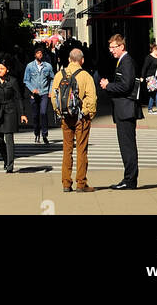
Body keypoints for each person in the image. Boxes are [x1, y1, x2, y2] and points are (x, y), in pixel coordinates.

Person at [50, 47, 97, 192]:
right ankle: (81, 183)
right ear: (82, 60)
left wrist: (59, 112)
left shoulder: (59, 75)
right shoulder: (86, 76)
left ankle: (66, 183)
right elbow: (91, 98)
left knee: (67, 150)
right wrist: (87, 113)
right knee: (81, 150)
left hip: (65, 117)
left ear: (69, 59)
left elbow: (53, 96)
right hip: (80, 119)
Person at [99, 32, 141, 189]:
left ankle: (130, 180)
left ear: (121, 46)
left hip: (126, 109)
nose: (111, 50)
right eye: (110, 47)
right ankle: (129, 178)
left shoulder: (127, 62)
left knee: (127, 146)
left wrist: (108, 85)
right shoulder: (122, 62)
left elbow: (126, 85)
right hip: (123, 109)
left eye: (113, 47)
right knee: (126, 146)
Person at [0, 57, 27, 172]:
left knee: (9, 138)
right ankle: (5, 159)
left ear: (7, 70)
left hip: (10, 111)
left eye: (2, 68)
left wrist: (22, 114)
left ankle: (10, 166)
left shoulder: (13, 81)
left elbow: (19, 98)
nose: (0, 70)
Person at [23, 46, 55, 145]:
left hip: (44, 93)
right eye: (38, 53)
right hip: (34, 94)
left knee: (43, 112)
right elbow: (26, 80)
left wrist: (50, 91)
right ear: (35, 55)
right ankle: (37, 133)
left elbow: (52, 79)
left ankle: (45, 134)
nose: (39, 55)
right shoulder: (30, 66)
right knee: (35, 115)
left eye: (41, 53)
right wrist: (33, 89)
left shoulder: (48, 66)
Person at [141, 43, 157, 115]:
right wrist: (142, 76)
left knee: (153, 93)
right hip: (150, 77)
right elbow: (144, 67)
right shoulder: (149, 58)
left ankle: (150, 109)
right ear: (154, 50)